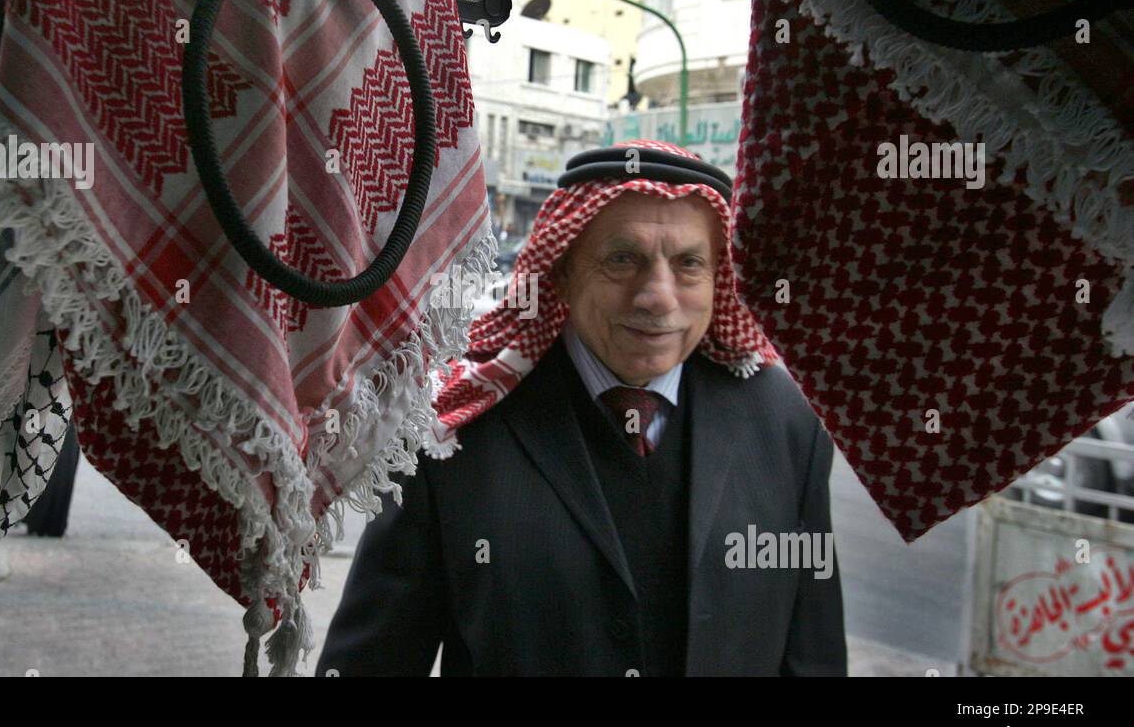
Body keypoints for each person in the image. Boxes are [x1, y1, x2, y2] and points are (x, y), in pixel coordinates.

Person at [317, 140, 846, 676]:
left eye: (689, 264)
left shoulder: (786, 425)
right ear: (564, 270)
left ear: (719, 280)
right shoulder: (453, 432)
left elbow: (813, 659)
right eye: (623, 260)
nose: (658, 297)